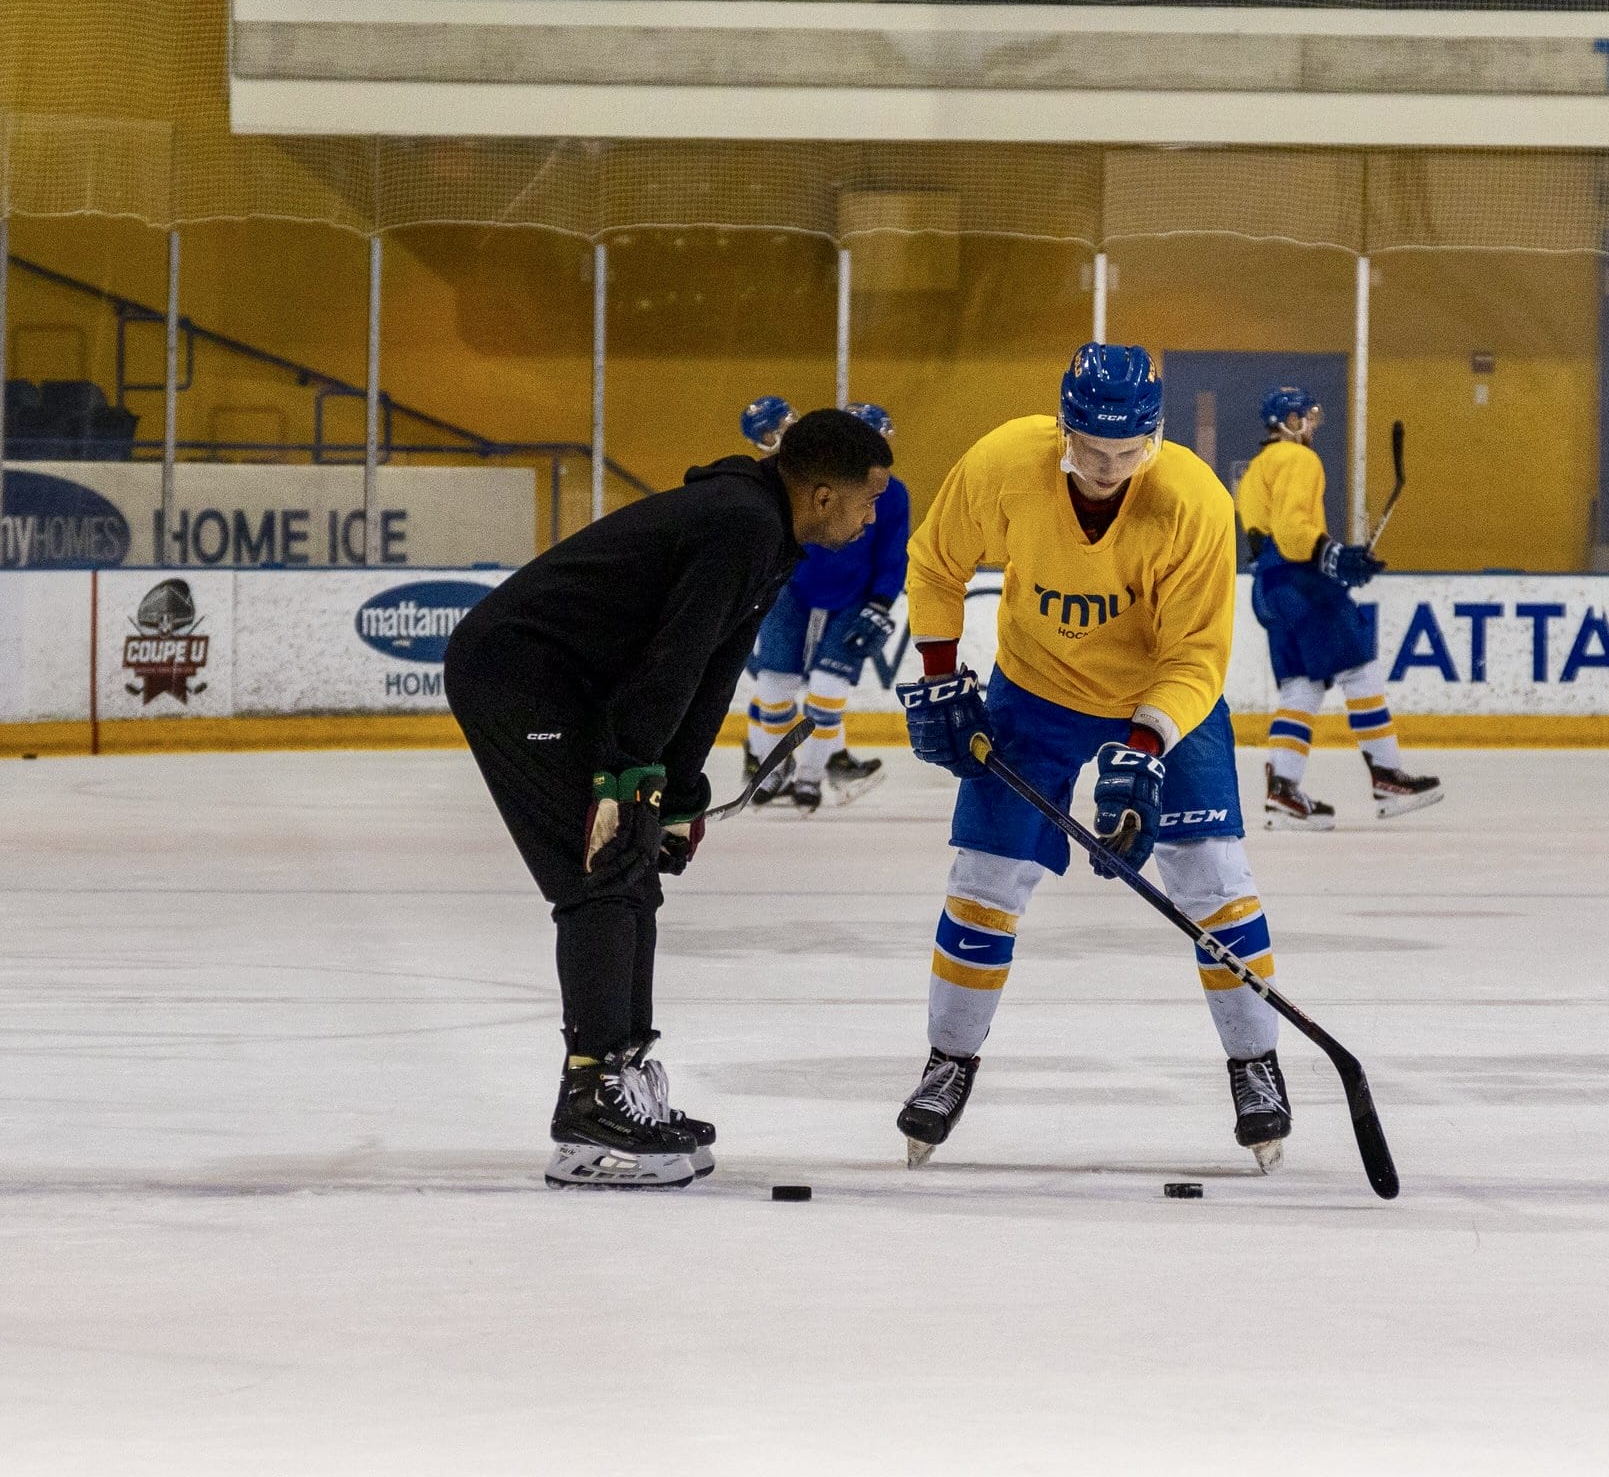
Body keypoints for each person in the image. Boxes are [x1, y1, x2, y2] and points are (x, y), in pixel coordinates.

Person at [445, 409, 894, 1188]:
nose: (873, 517)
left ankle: (618, 1079)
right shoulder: (740, 525)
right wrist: (626, 778)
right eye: (869, 499)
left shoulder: (767, 534)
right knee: (601, 873)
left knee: (631, 870)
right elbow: (674, 660)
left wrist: (678, 795)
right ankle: (590, 1098)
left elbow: (710, 670)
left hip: (573, 687)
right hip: (516, 676)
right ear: (823, 494)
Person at [892, 343, 1295, 1173]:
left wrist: (1145, 747)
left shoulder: (1192, 501)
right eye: (1090, 451)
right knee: (984, 883)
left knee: (1216, 881)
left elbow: (1195, 657)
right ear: (1063, 429)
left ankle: (1257, 1067)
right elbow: (936, 564)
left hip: (1158, 699)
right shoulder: (1006, 461)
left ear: (1152, 436)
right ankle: (948, 1063)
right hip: (1033, 691)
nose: (1107, 472)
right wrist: (938, 675)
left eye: (1126, 454)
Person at [1234, 385, 1442, 829]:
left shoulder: (1255, 469)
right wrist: (1334, 559)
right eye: (1304, 417)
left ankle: (1283, 793)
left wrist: (1338, 562)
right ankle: (1387, 778)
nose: (1311, 426)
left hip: (1269, 590)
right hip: (1301, 585)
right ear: (1288, 422)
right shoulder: (1298, 459)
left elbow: (1271, 539)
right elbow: (1292, 533)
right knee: (1359, 669)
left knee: (1301, 689)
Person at [740, 399, 912, 811]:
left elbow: (893, 553)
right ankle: (770, 768)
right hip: (791, 588)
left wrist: (881, 603)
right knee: (773, 687)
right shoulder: (802, 480)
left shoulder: (892, 492)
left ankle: (810, 779)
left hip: (852, 597)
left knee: (827, 690)